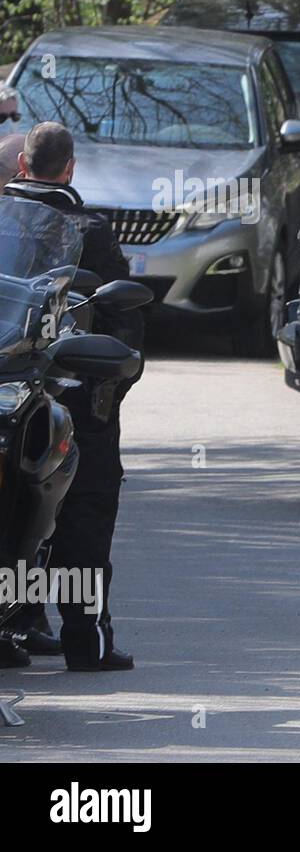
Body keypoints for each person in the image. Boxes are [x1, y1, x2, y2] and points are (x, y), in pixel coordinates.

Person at [0, 122, 144, 670]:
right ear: (70, 167)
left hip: (14, 387)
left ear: (21, 168)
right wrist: (109, 386)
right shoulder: (92, 229)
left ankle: (19, 626)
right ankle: (85, 641)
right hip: (65, 389)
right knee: (83, 511)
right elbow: (126, 327)